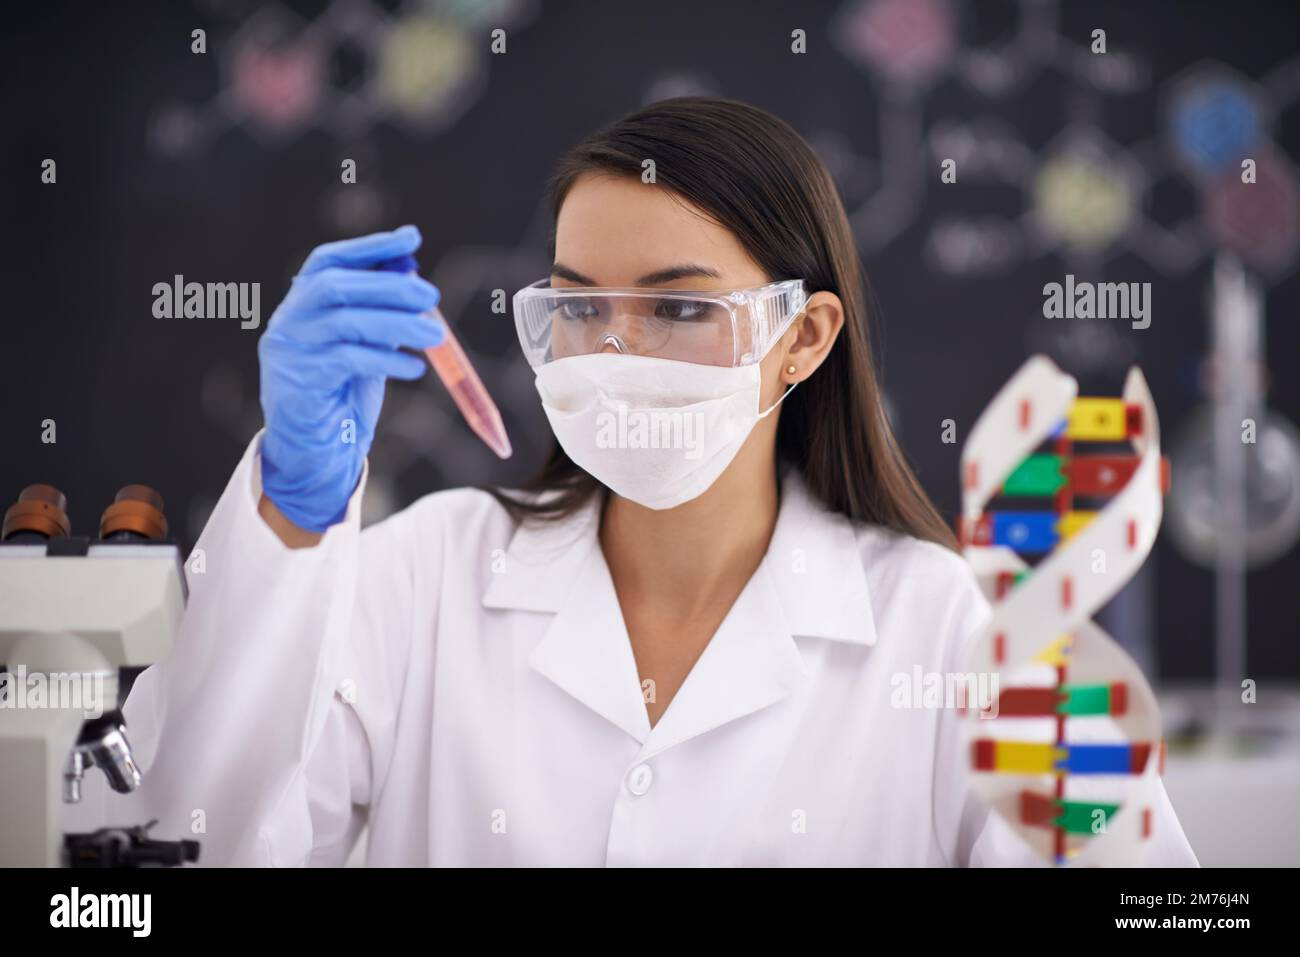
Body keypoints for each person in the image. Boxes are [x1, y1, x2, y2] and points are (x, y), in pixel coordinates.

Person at [78, 96, 1197, 866]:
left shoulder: (950, 626)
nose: (610, 353)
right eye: (576, 306)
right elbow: (173, 844)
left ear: (802, 341)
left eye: (674, 306)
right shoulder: (428, 573)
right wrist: (292, 504)